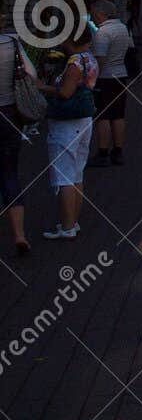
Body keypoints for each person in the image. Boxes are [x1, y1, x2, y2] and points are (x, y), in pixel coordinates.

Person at [45, 23, 98, 240]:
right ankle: (73, 222)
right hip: (84, 119)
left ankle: (67, 226)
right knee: (76, 173)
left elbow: (66, 92)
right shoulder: (89, 58)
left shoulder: (74, 62)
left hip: (67, 122)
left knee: (64, 175)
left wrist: (42, 86)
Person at [0, 13, 38, 256]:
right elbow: (31, 75)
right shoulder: (12, 43)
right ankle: (19, 235)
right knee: (9, 173)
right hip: (9, 115)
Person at [88, 0, 132, 167]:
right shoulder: (123, 28)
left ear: (101, 14)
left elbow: (100, 59)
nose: (92, 18)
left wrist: (91, 79)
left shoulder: (102, 32)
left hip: (105, 77)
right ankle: (118, 151)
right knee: (118, 115)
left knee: (103, 116)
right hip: (120, 74)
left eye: (93, 14)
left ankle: (103, 152)